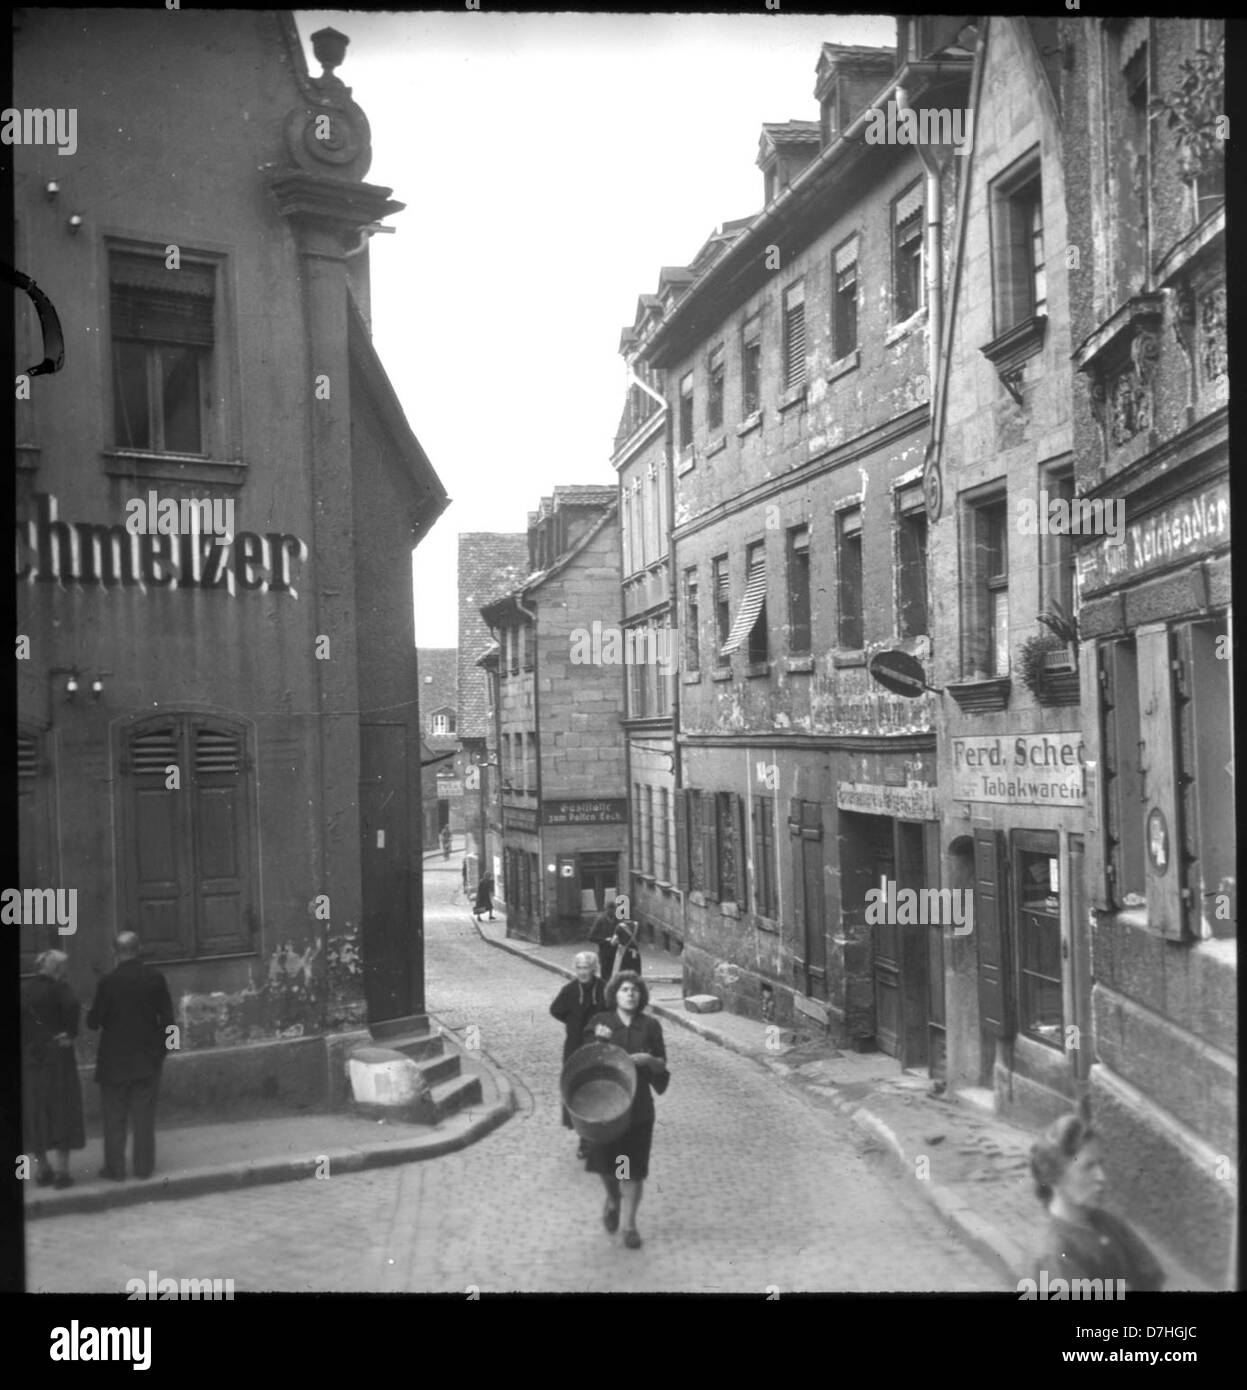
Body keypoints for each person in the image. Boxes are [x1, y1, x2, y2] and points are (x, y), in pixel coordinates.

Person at [1028, 1111, 1165, 1291]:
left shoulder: (1108, 1223)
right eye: (1088, 1167)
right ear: (1055, 1175)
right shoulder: (1054, 1254)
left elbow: (1151, 1276)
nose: (1102, 1177)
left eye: (1100, 1164)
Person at [582, 971, 669, 1250]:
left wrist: (649, 1060)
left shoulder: (651, 1026)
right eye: (624, 989)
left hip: (639, 1107)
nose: (630, 994)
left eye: (634, 990)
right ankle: (613, 1198)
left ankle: (629, 1225)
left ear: (641, 995)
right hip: (606, 1108)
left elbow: (662, 1064)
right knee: (609, 1166)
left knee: (631, 1168)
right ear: (615, 995)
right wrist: (600, 1042)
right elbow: (585, 1062)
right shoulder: (601, 1023)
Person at [87, 931, 174, 1182]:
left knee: (114, 1116)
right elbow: (169, 1018)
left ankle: (115, 1169)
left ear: (115, 952)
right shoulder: (155, 978)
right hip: (148, 1058)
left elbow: (94, 1022)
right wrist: (167, 1050)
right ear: (140, 949)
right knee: (144, 1116)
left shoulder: (108, 982)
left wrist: (93, 1016)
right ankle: (143, 1168)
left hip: (113, 1060)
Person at [21, 950, 86, 1189]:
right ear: (57, 969)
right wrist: (69, 1033)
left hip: (30, 1058)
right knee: (62, 1109)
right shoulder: (61, 987)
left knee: (36, 1111)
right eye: (63, 968)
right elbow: (73, 1005)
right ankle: (62, 1172)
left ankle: (42, 1169)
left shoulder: (24, 989)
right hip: (57, 1057)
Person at [550, 952, 608, 1158]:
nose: (583, 972)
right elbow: (555, 1010)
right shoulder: (569, 990)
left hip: (598, 1048)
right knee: (579, 1094)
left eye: (586, 967)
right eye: (580, 968)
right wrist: (572, 1023)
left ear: (594, 969)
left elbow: (612, 1013)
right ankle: (584, 1140)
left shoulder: (603, 989)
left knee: (599, 1092)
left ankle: (600, 1136)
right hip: (574, 1049)